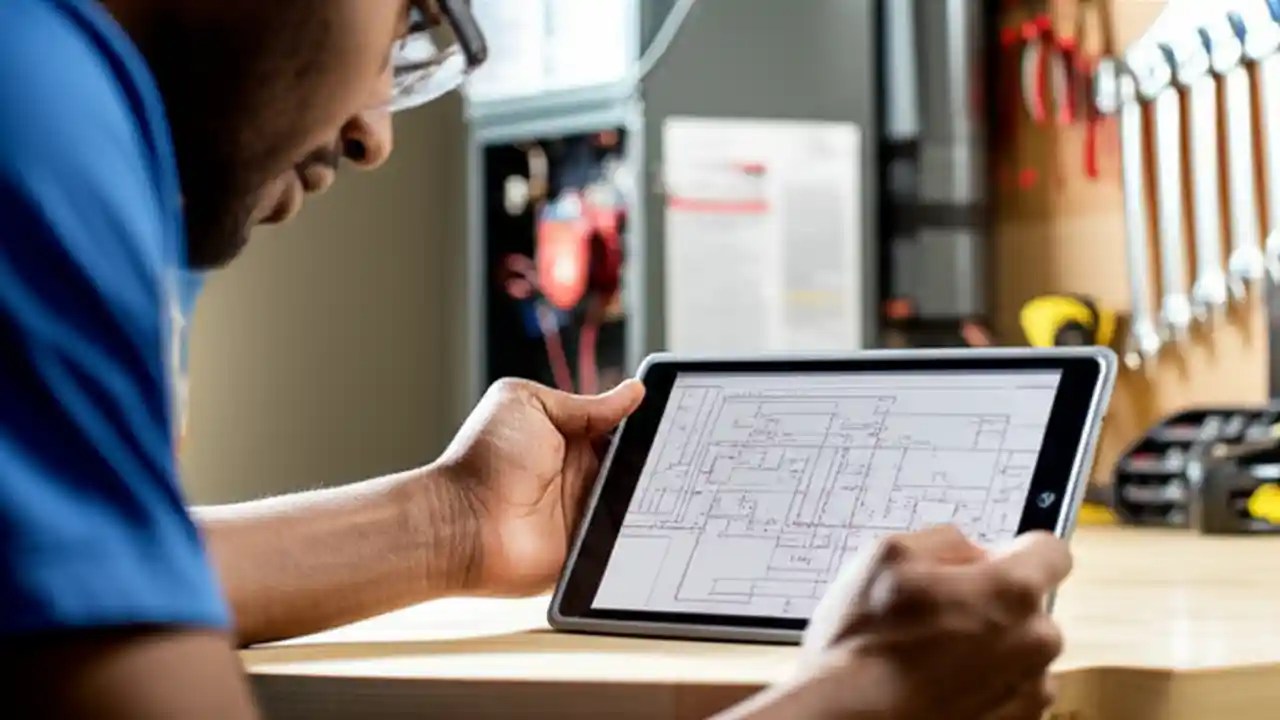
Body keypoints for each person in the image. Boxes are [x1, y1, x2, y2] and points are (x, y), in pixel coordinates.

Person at [0, 0, 1074, 717]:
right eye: (408, 23)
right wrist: (854, 699)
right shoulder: (37, 112)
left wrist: (449, 525)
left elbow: (44, 584)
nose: (374, 132)